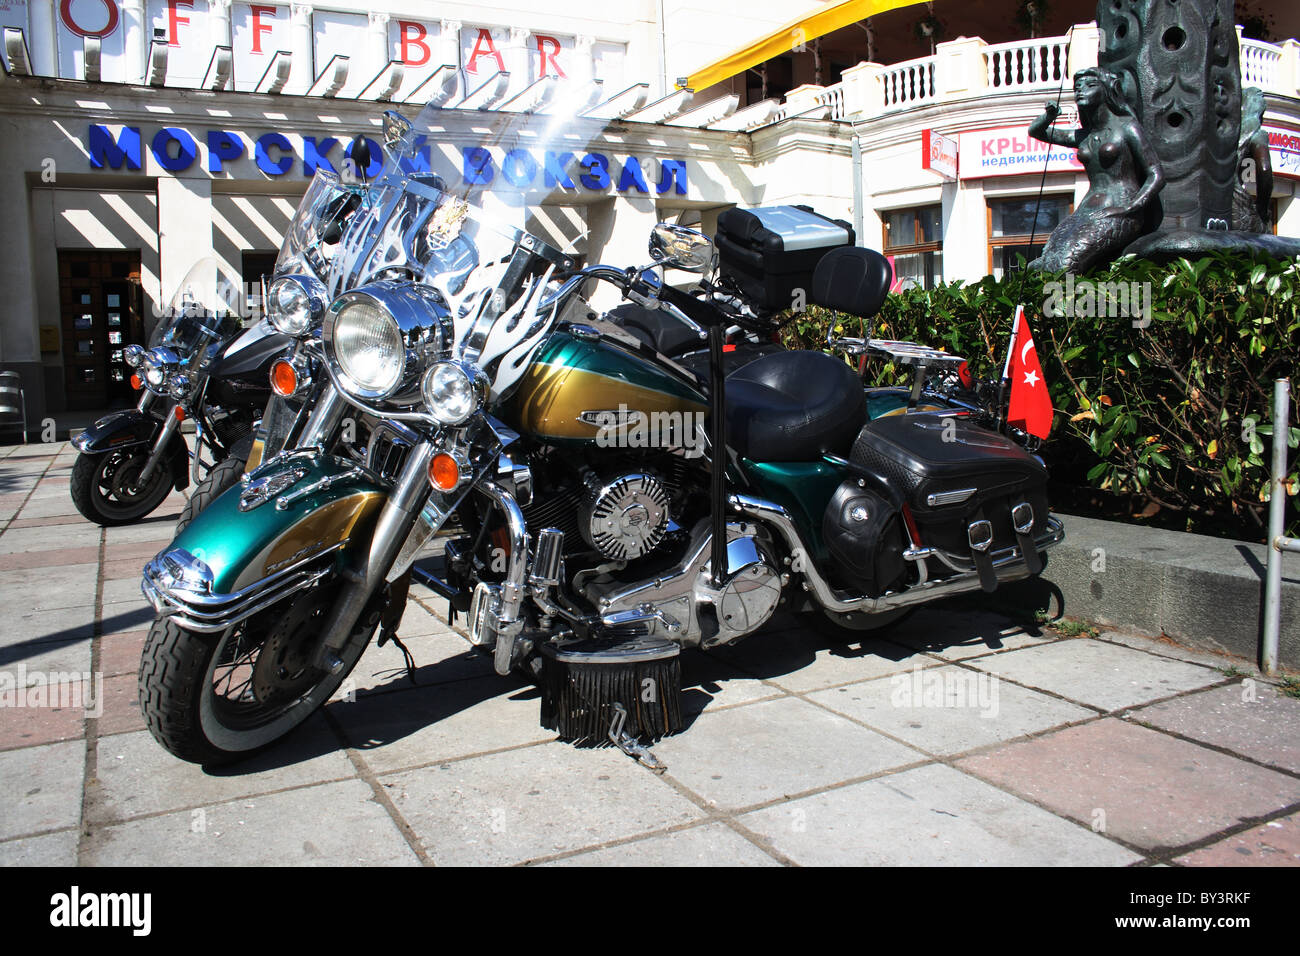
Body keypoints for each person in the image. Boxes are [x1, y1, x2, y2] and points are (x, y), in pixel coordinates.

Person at [1027, 67, 1164, 272]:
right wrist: (1048, 116)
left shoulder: (1127, 127)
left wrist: (1131, 207)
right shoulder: (1084, 135)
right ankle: (1058, 304)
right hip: (1085, 212)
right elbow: (1037, 132)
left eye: (1090, 86)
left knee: (1065, 265)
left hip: (1120, 209)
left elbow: (1156, 174)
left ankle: (1081, 304)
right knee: (1039, 267)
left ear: (1107, 90)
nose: (1080, 91)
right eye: (1077, 88)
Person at [1232, 86, 1273, 233]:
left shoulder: (1225, 131)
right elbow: (1264, 168)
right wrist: (1262, 205)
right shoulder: (1256, 132)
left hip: (1215, 204)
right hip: (1239, 210)